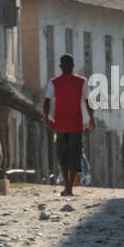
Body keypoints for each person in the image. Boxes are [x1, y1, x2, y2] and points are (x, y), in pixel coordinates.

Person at [44, 54, 95, 196]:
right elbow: (88, 102)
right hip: (76, 125)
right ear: (73, 65)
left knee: (63, 156)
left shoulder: (54, 82)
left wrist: (47, 119)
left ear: (60, 66)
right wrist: (91, 118)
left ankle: (67, 185)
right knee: (75, 156)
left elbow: (46, 102)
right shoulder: (82, 81)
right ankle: (70, 187)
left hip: (60, 125)